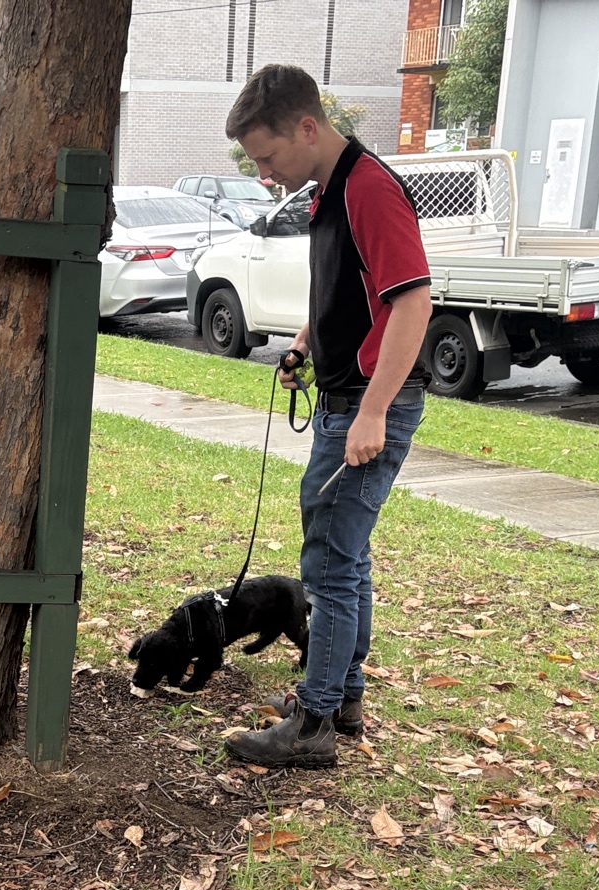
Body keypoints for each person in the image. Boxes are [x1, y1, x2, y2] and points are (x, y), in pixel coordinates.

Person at [220, 65, 431, 770]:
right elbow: (346, 289)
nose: (265, 172)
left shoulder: (370, 188)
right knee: (347, 557)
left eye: (268, 156)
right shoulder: (329, 192)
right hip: (344, 397)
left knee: (330, 566)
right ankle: (341, 698)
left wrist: (373, 411)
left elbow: (413, 303)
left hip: (371, 409)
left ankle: (312, 724)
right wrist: (306, 344)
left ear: (307, 128)